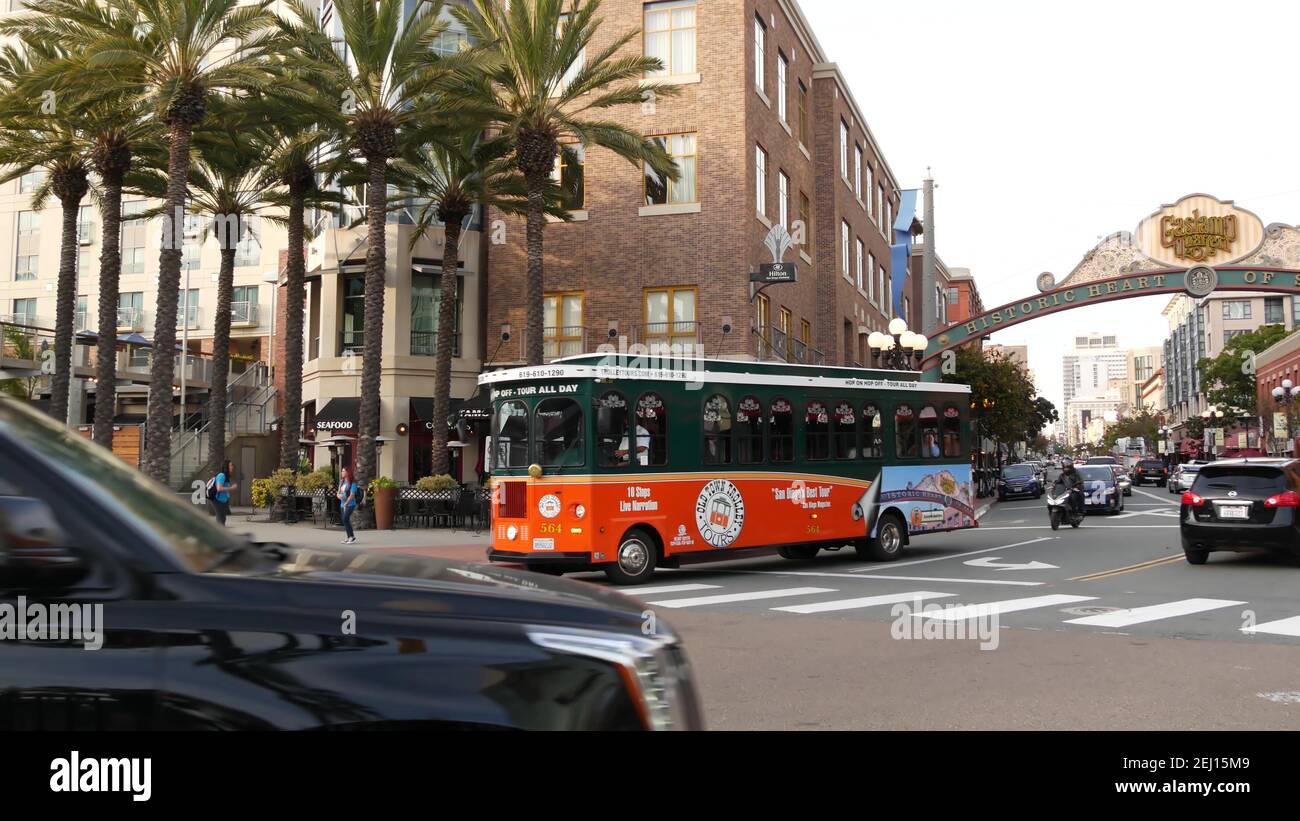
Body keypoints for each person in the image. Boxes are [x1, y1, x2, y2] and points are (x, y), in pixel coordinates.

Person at [337, 468, 358, 545]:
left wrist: (346, 503)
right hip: (342, 504)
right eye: (342, 471)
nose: (342, 472)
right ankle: (350, 536)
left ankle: (351, 537)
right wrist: (339, 496)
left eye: (343, 471)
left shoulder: (353, 483)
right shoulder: (342, 482)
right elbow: (338, 492)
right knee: (345, 520)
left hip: (350, 504)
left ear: (347, 472)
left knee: (345, 519)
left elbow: (352, 495)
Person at [213, 460, 237, 526]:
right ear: (226, 467)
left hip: (223, 500)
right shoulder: (222, 475)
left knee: (222, 518)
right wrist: (231, 488)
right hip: (218, 500)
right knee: (221, 519)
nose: (232, 467)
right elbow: (219, 488)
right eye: (231, 465)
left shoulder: (226, 476)